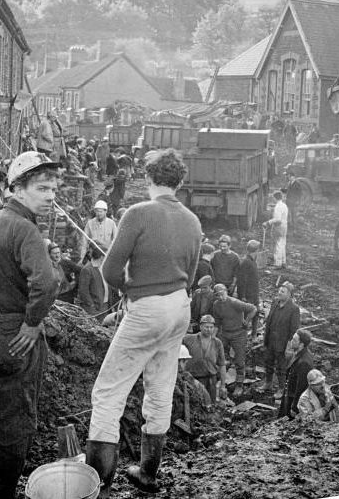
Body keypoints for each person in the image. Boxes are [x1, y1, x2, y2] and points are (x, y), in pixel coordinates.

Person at [84, 149, 202, 495]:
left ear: (148, 178)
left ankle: (99, 485)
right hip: (180, 307)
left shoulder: (138, 213)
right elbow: (190, 276)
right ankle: (148, 472)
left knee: (108, 391)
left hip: (147, 307)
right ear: (180, 182)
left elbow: (109, 271)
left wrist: (130, 289)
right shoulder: (193, 221)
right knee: (161, 388)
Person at [0, 151, 60, 497]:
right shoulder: (25, 229)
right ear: (18, 188)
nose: (51, 196)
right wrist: (33, 323)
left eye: (53, 189)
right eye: (42, 188)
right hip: (14, 336)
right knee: (16, 421)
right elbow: (46, 284)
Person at [209, 283, 257, 397]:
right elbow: (217, 322)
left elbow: (253, 309)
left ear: (226, 291)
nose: (221, 297)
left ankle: (239, 384)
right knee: (216, 355)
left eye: (222, 294)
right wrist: (212, 338)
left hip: (239, 334)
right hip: (225, 333)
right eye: (217, 295)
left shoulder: (234, 302)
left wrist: (247, 320)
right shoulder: (216, 305)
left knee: (239, 360)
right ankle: (217, 378)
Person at [261, 282, 301, 397]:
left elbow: (294, 329)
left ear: (289, 294)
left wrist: (289, 345)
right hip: (270, 340)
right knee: (268, 362)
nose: (279, 293)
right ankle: (268, 383)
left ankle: (281, 388)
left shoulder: (294, 309)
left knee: (281, 367)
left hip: (282, 343)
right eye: (279, 290)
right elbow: (269, 321)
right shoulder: (275, 302)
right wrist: (266, 339)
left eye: (282, 291)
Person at [182, 314, 228, 404]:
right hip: (193, 379)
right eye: (206, 327)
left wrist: (223, 385)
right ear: (200, 326)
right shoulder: (189, 338)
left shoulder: (217, 343)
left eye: (211, 327)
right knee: (194, 404)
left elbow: (222, 365)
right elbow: (175, 343)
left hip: (210, 380)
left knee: (210, 404)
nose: (209, 329)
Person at [279, 329, 316, 419]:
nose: (291, 341)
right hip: (289, 394)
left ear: (301, 345)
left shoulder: (304, 363)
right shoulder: (299, 353)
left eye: (294, 340)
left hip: (293, 399)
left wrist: (294, 407)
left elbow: (301, 388)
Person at [235, 239, 262, 335]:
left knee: (256, 313)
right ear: (256, 250)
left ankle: (253, 334)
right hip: (248, 296)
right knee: (247, 316)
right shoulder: (246, 262)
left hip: (254, 294)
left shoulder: (252, 261)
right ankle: (243, 335)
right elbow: (241, 281)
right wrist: (242, 296)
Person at [79, 199, 117, 263]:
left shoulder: (111, 223)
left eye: (100, 211)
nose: (98, 214)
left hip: (106, 257)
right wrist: (82, 257)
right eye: (97, 211)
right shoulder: (90, 223)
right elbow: (84, 241)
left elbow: (116, 241)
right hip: (93, 258)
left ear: (105, 211)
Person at [76, 246, 108, 315]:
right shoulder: (87, 269)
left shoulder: (102, 267)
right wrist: (91, 306)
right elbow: (83, 291)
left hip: (105, 306)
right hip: (94, 309)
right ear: (102, 257)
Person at [264, 190, 289, 269]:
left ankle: (277, 264)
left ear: (275, 198)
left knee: (278, 245)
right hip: (284, 226)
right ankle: (283, 262)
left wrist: (268, 222)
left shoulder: (278, 207)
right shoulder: (284, 205)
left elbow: (278, 219)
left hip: (279, 227)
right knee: (282, 244)